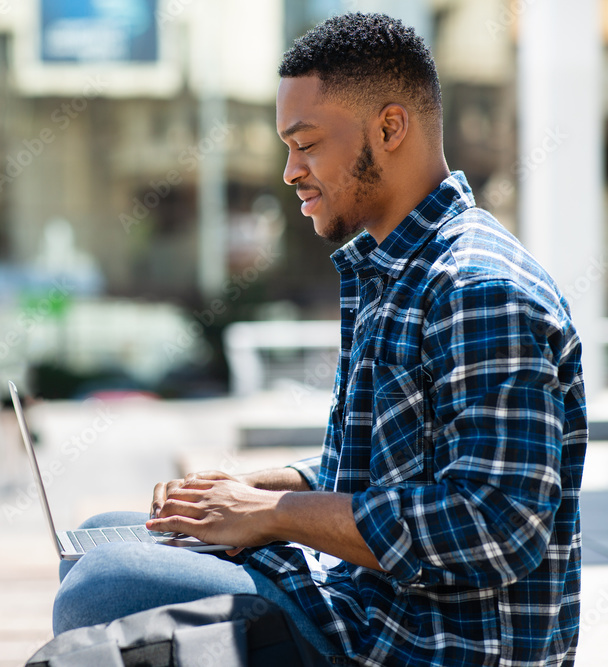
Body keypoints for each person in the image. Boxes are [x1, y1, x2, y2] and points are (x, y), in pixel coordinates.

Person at [52, 12, 587, 666]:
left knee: (104, 588)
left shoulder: (478, 288)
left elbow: (496, 525)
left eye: (305, 143)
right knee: (107, 540)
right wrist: (244, 490)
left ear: (390, 128)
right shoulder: (396, 269)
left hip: (427, 645)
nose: (289, 171)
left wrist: (274, 511)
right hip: (365, 609)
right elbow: (380, 468)